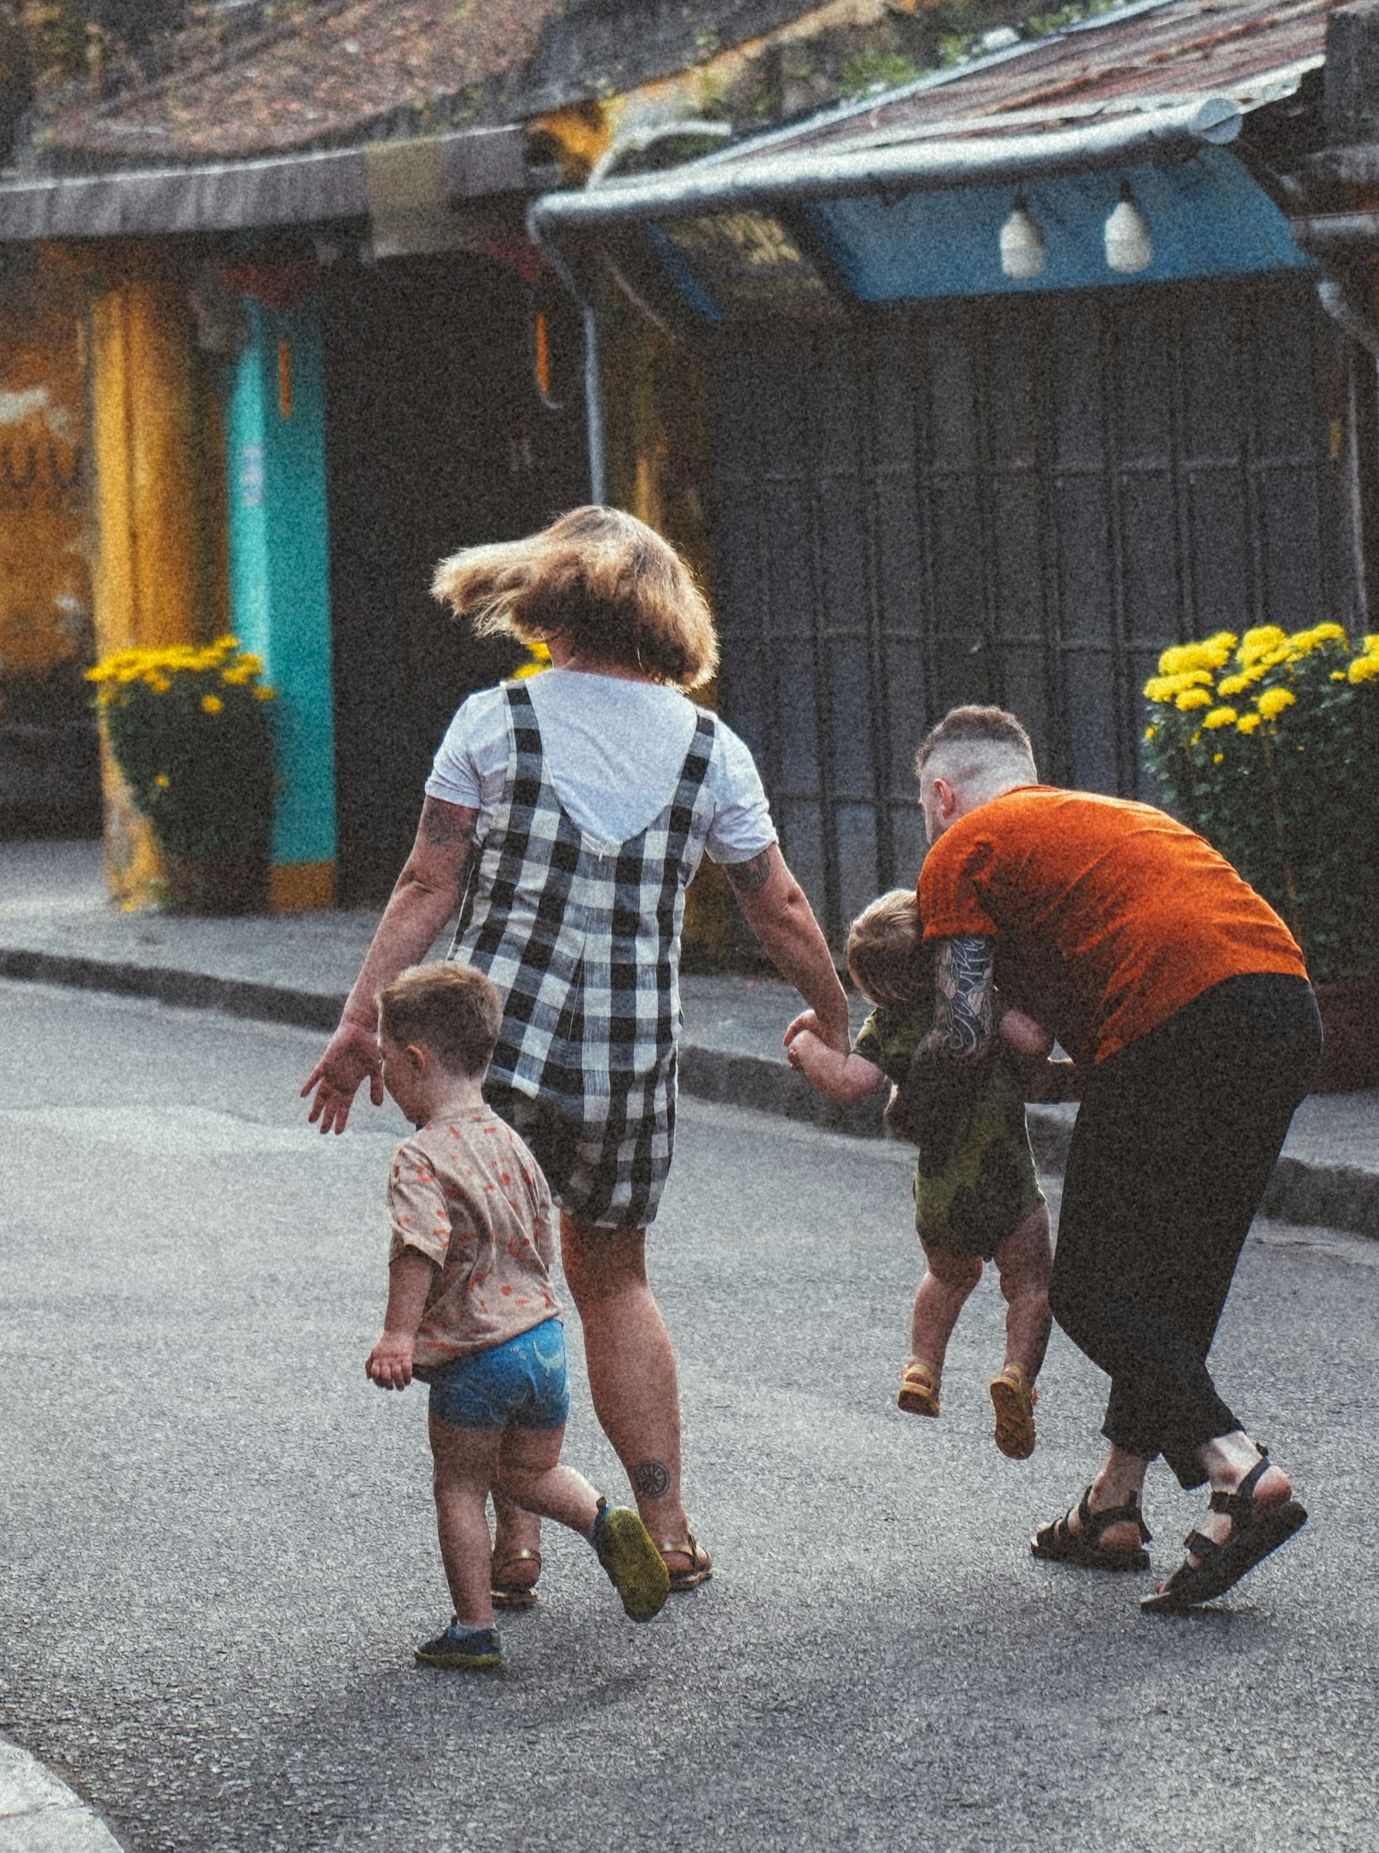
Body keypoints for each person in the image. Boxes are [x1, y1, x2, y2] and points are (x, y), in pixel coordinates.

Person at [301, 505, 852, 1598]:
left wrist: (363, 1021)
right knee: (614, 1279)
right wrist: (834, 1017)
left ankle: (516, 1543)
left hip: (492, 1052)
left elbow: (427, 881)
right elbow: (776, 903)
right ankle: (670, 1521)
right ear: (661, 618)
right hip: (631, 1059)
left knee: (495, 1281)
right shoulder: (710, 746)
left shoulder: (496, 723)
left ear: (549, 612)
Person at [789, 703, 1320, 1615]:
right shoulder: (1098, 827)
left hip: (1176, 1021)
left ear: (942, 793)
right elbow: (1080, 1064)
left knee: (1089, 1291)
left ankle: (1239, 1468)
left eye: (925, 809)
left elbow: (956, 1033)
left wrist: (910, 1108)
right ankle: (1112, 1504)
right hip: (1282, 1010)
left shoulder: (964, 846)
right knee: (1173, 1281)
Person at [363, 960, 674, 1674]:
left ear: (417, 1059)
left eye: (387, 1064)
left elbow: (418, 1246)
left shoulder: (420, 1156)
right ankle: (601, 1517)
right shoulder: (511, 1142)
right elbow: (538, 1232)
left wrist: (398, 1334)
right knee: (530, 1469)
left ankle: (472, 1627)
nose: (386, 1082)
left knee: (460, 1484)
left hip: (477, 1355)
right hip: (542, 1342)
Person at [792, 889, 1053, 1458]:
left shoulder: (887, 1026)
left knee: (949, 1278)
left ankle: (922, 1368)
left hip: (940, 1192)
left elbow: (848, 1083)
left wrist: (808, 1045)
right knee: (1030, 1287)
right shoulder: (981, 1002)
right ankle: (1016, 1378)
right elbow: (1035, 1043)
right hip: (1005, 1179)